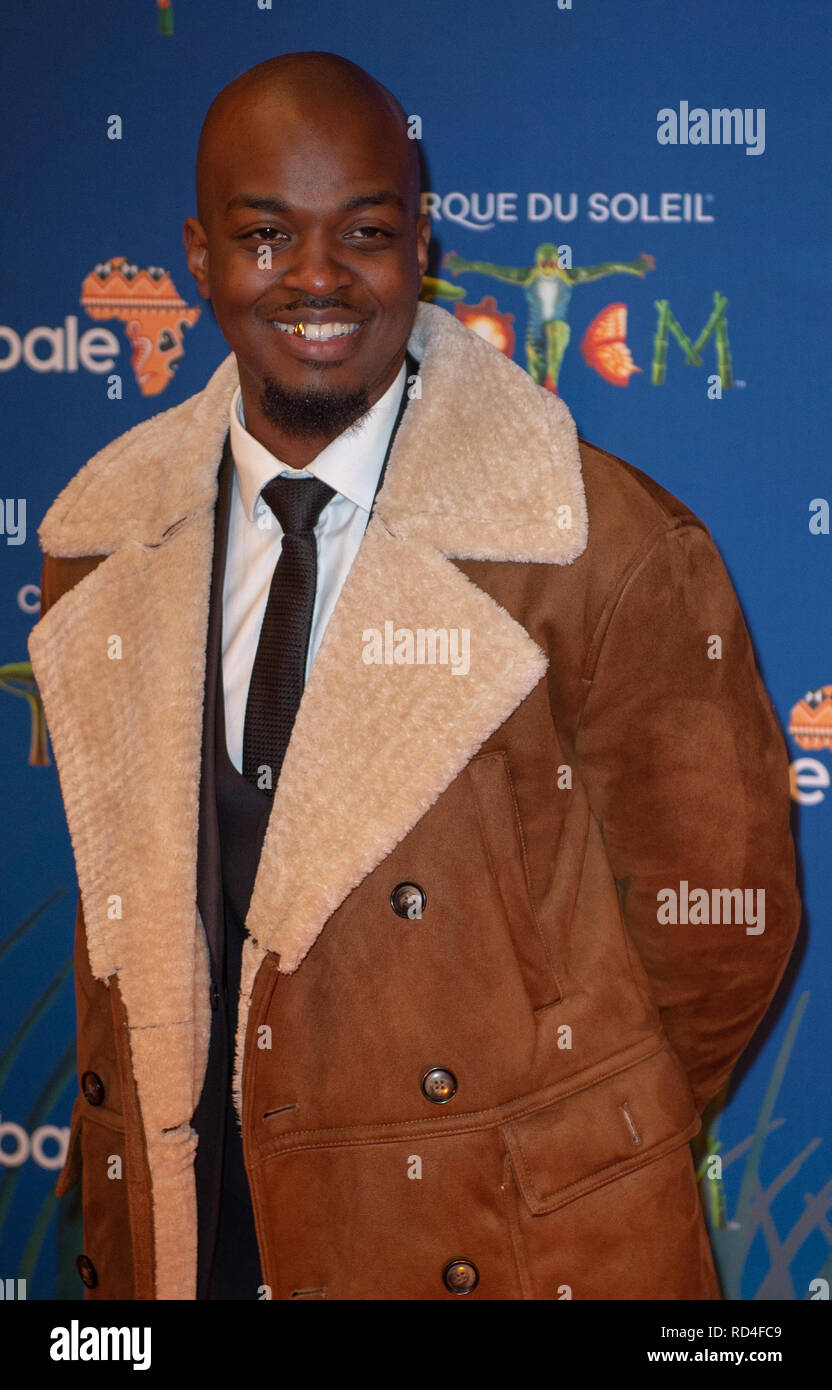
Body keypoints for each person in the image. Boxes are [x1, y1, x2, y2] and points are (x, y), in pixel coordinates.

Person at [29, 51, 801, 1302]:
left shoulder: (601, 547)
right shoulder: (101, 543)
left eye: (366, 232)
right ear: (198, 254)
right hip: (186, 1241)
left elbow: (724, 932)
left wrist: (536, 1147)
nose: (319, 277)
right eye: (267, 233)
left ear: (422, 244)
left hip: (485, 1246)